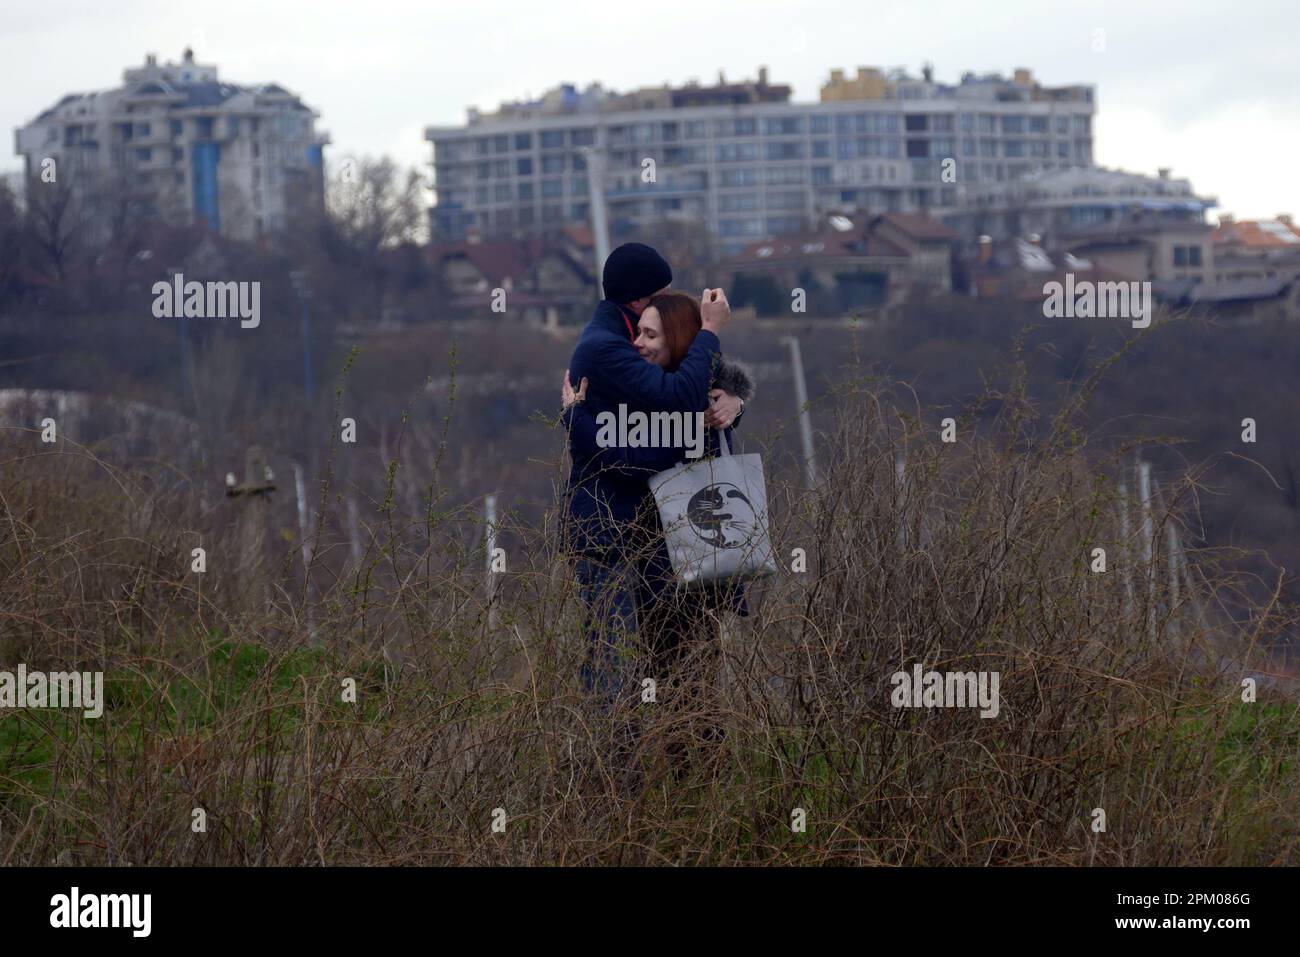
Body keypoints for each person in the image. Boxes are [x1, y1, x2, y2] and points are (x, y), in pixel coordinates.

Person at [562, 288, 754, 773]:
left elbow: (633, 457)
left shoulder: (697, 400)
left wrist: (574, 419)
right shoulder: (653, 390)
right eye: (638, 333)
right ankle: (665, 787)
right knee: (659, 671)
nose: (638, 345)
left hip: (686, 558)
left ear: (680, 341)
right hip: (657, 555)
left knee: (688, 677)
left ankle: (692, 789)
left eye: (650, 335)